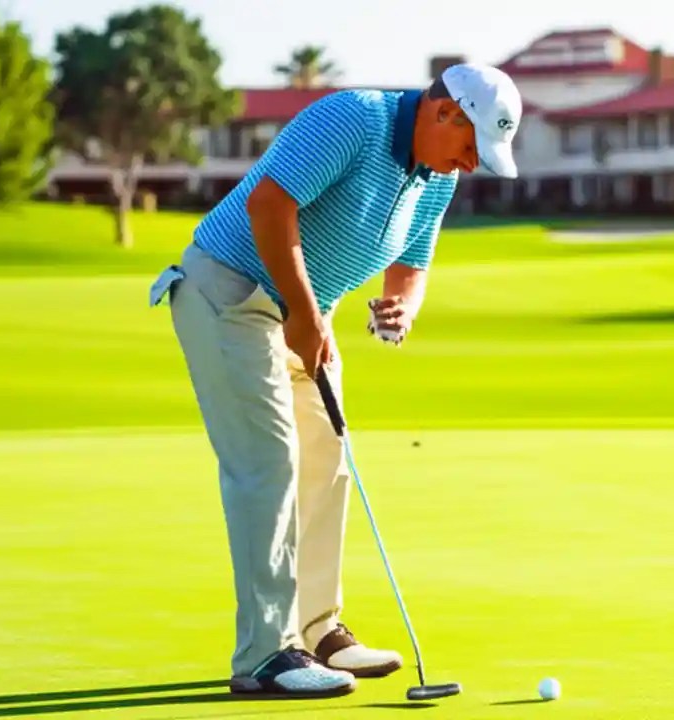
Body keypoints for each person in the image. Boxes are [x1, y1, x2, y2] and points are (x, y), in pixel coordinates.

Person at [148, 63, 522, 697]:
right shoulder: (354, 119)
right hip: (229, 294)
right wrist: (299, 308)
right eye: (468, 145)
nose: (469, 164)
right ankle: (267, 653)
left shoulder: (434, 174)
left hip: (304, 309)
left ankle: (320, 630)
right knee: (268, 465)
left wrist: (401, 304)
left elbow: (412, 261)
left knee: (328, 458)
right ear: (442, 112)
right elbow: (270, 204)